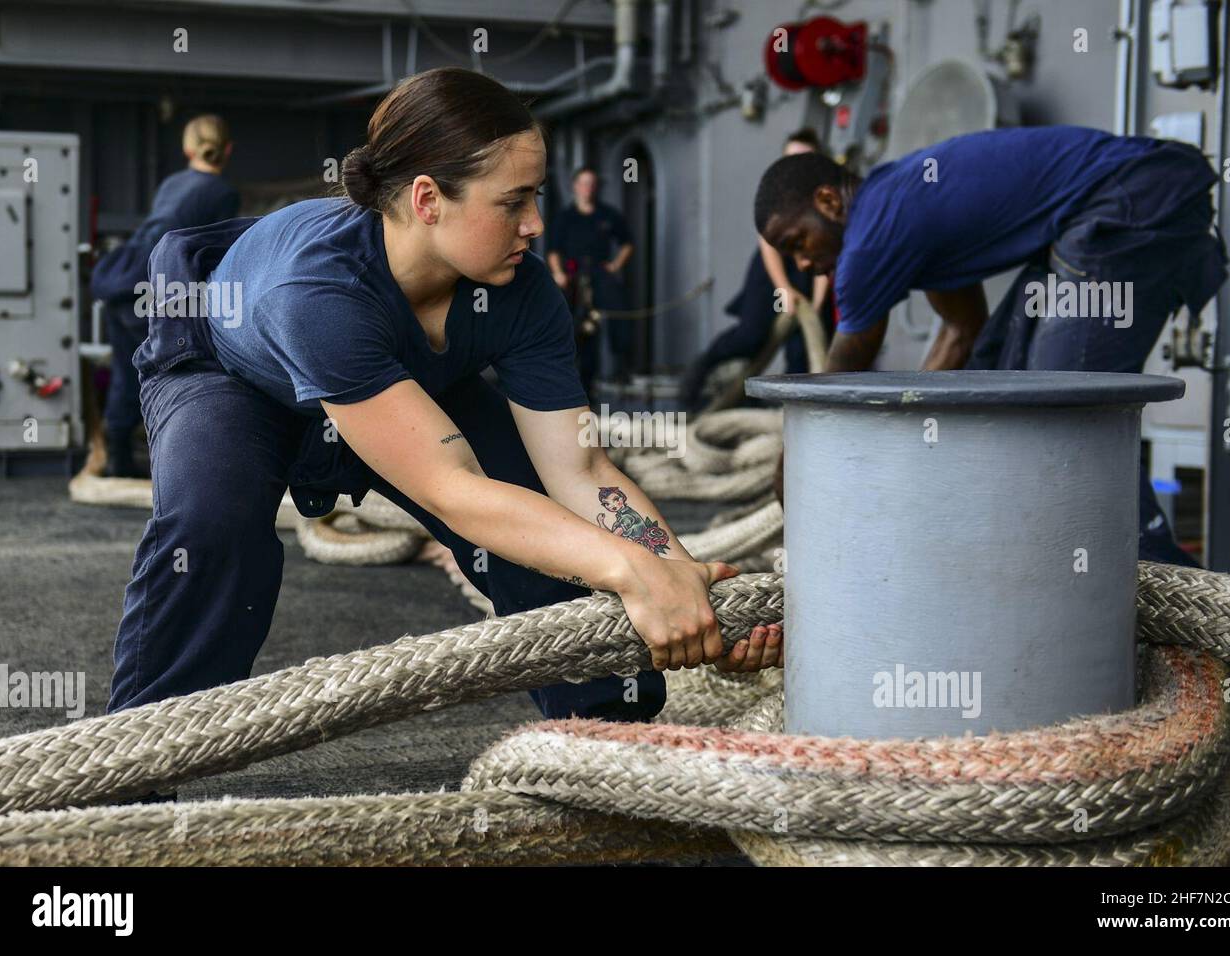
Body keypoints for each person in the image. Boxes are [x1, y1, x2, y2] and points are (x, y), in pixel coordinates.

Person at [107, 68, 782, 732]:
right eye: (513, 202)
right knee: (212, 526)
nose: (536, 224)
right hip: (230, 371)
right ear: (428, 200)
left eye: (537, 197)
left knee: (534, 520)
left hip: (396, 374)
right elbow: (450, 490)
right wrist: (633, 572)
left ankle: (606, 733)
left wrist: (680, 579)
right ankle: (132, 767)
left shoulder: (518, 292)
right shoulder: (317, 292)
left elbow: (581, 472)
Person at [753, 125, 1227, 566]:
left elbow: (835, 385)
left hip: (1134, 195)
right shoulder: (898, 210)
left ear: (829, 201)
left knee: (1062, 411)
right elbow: (963, 333)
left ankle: (1157, 585)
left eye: (799, 242)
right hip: (1114, 204)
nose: (804, 263)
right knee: (998, 370)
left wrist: (789, 471)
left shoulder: (870, 240)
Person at [90, 114, 240, 477]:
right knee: (177, 377)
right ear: (229, 150)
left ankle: (119, 463)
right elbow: (213, 254)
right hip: (163, 290)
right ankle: (176, 471)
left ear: (187, 149)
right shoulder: (223, 194)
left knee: (128, 375)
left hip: (125, 284)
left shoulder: (172, 183)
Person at [680, 129, 833, 410]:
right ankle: (700, 372)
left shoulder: (826, 197)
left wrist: (818, 304)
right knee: (751, 336)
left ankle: (796, 417)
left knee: (803, 349)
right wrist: (784, 288)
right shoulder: (777, 190)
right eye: (790, 158)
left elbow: (828, 253)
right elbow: (768, 243)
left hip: (812, 264)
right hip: (773, 264)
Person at [547, 166, 635, 391]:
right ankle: (573, 378)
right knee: (576, 326)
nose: (588, 188)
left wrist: (615, 265)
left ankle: (622, 368)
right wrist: (558, 274)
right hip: (573, 275)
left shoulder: (607, 214)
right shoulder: (565, 218)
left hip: (599, 272)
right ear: (575, 186)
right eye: (584, 183)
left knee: (619, 313)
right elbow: (554, 250)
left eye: (592, 183)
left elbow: (627, 243)